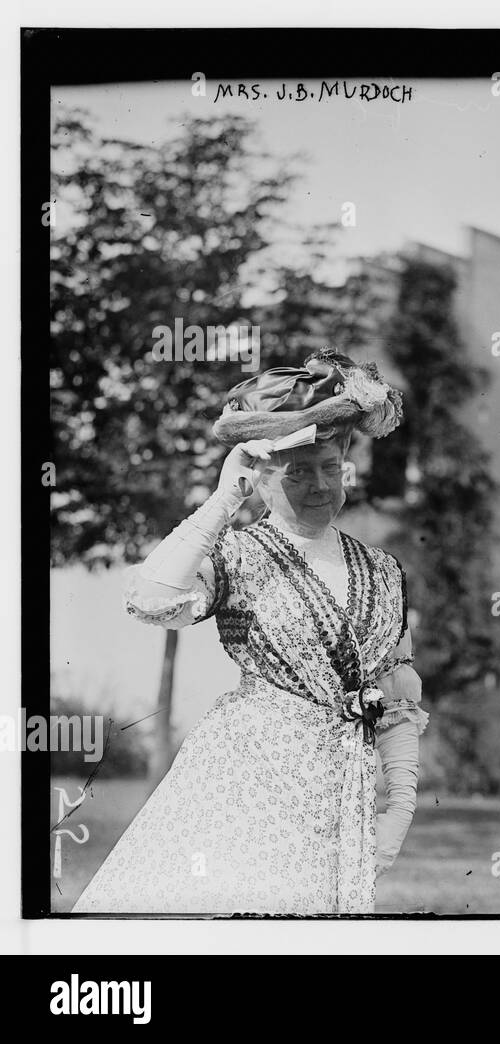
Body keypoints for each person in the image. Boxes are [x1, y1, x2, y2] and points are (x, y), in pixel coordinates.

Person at [73, 350, 427, 915]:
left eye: (329, 469)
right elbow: (151, 601)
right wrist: (222, 499)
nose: (318, 486)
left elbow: (395, 691)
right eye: (296, 472)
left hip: (341, 795)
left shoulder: (382, 570)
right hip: (244, 786)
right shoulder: (236, 554)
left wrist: (400, 807)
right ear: (261, 479)